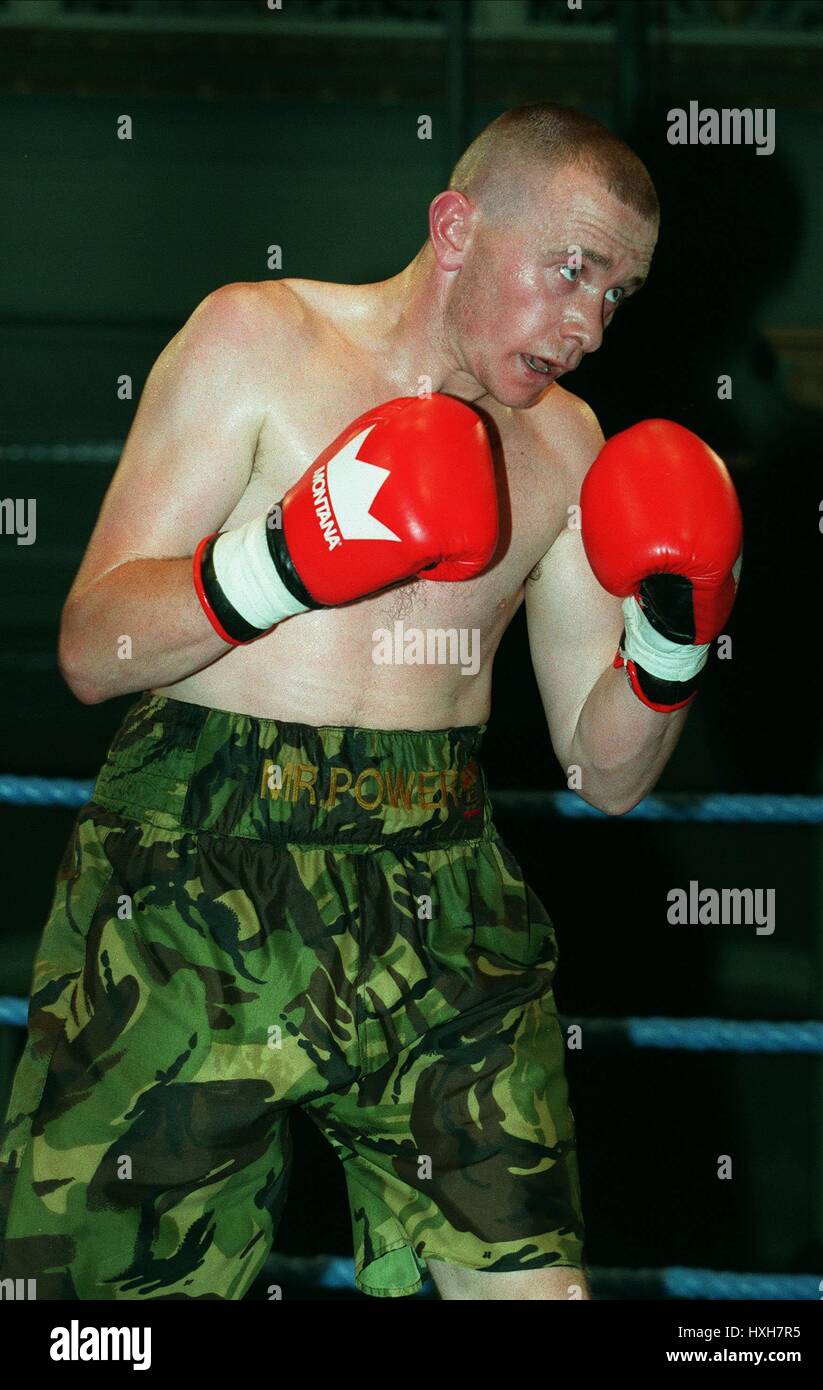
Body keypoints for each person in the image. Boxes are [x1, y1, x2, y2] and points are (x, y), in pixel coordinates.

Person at [0, 103, 740, 1301]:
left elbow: (603, 774)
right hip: (194, 876)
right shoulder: (258, 337)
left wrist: (671, 642)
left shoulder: (566, 443)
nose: (588, 325)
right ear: (455, 226)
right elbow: (93, 646)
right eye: (571, 271)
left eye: (618, 294)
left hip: (441, 892)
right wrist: (283, 561)